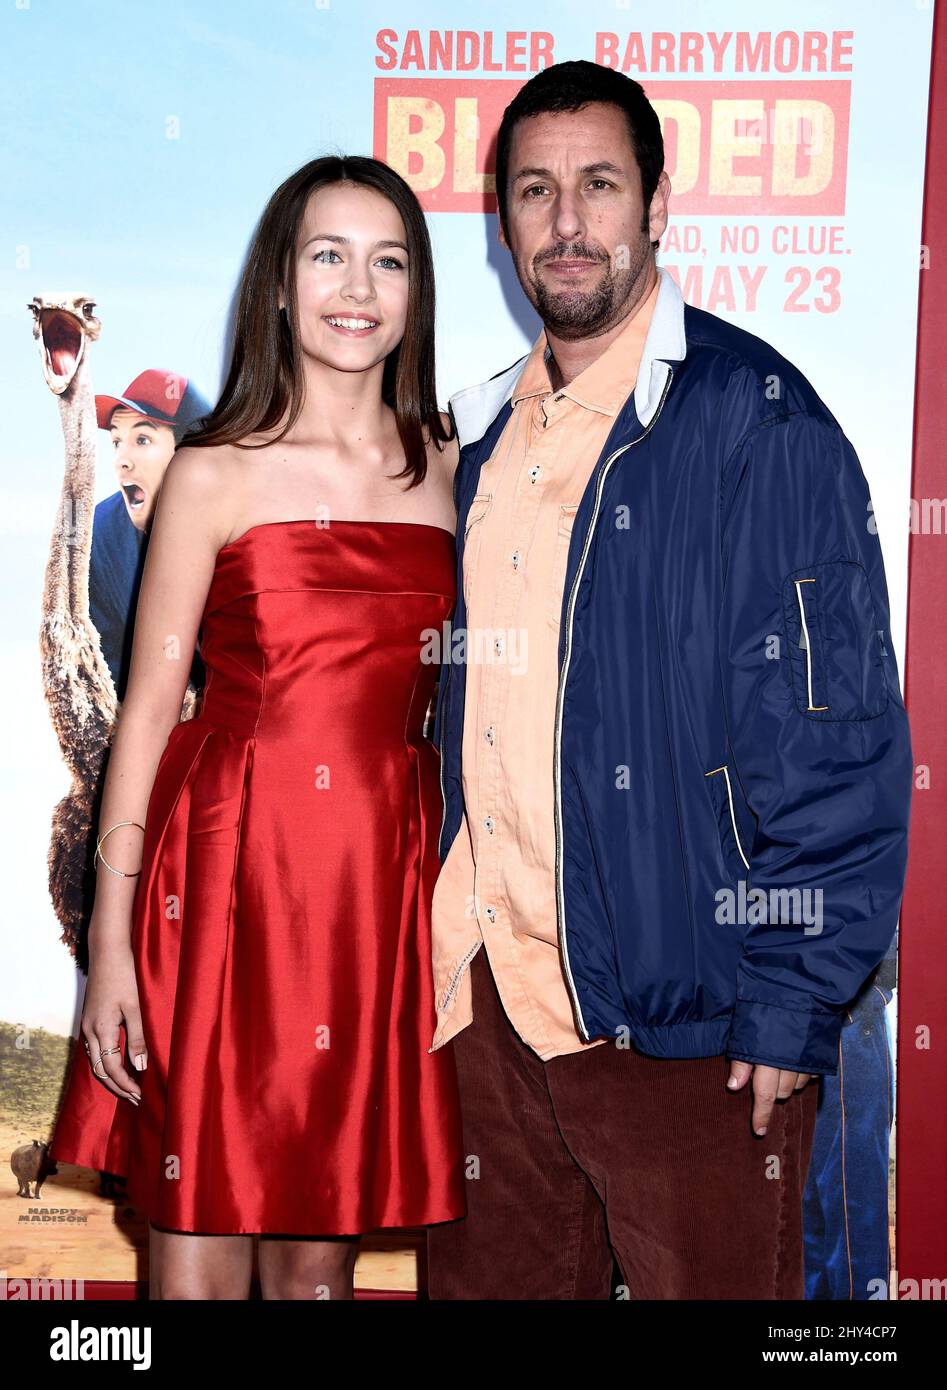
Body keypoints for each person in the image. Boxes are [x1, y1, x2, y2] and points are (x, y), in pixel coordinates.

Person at [427, 61, 912, 1300]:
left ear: (654, 205)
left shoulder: (763, 425)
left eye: (598, 185)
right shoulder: (471, 442)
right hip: (484, 1026)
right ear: (502, 224)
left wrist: (792, 1004)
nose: (567, 221)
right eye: (535, 191)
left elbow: (839, 742)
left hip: (691, 1032)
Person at [49, 154, 465, 1300]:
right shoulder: (213, 473)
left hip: (370, 899)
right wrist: (113, 939)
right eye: (325, 254)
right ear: (278, 283)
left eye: (387, 261)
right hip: (222, 884)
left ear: (416, 293)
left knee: (316, 1273)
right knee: (196, 1261)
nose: (356, 286)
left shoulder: (444, 467)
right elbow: (146, 714)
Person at [90, 371, 211, 701]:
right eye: (116, 441)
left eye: (142, 440)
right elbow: (110, 677)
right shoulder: (101, 536)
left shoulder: (254, 528)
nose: (121, 462)